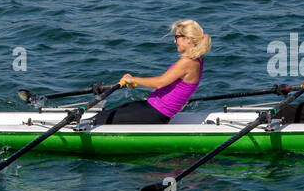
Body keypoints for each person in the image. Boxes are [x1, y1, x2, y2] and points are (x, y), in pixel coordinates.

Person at [78, 19, 210, 128]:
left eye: (177, 37)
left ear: (188, 39)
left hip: (156, 114)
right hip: (151, 108)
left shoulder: (188, 62)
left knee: (99, 121)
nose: (174, 41)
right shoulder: (197, 60)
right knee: (105, 114)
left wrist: (133, 79)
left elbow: (160, 83)